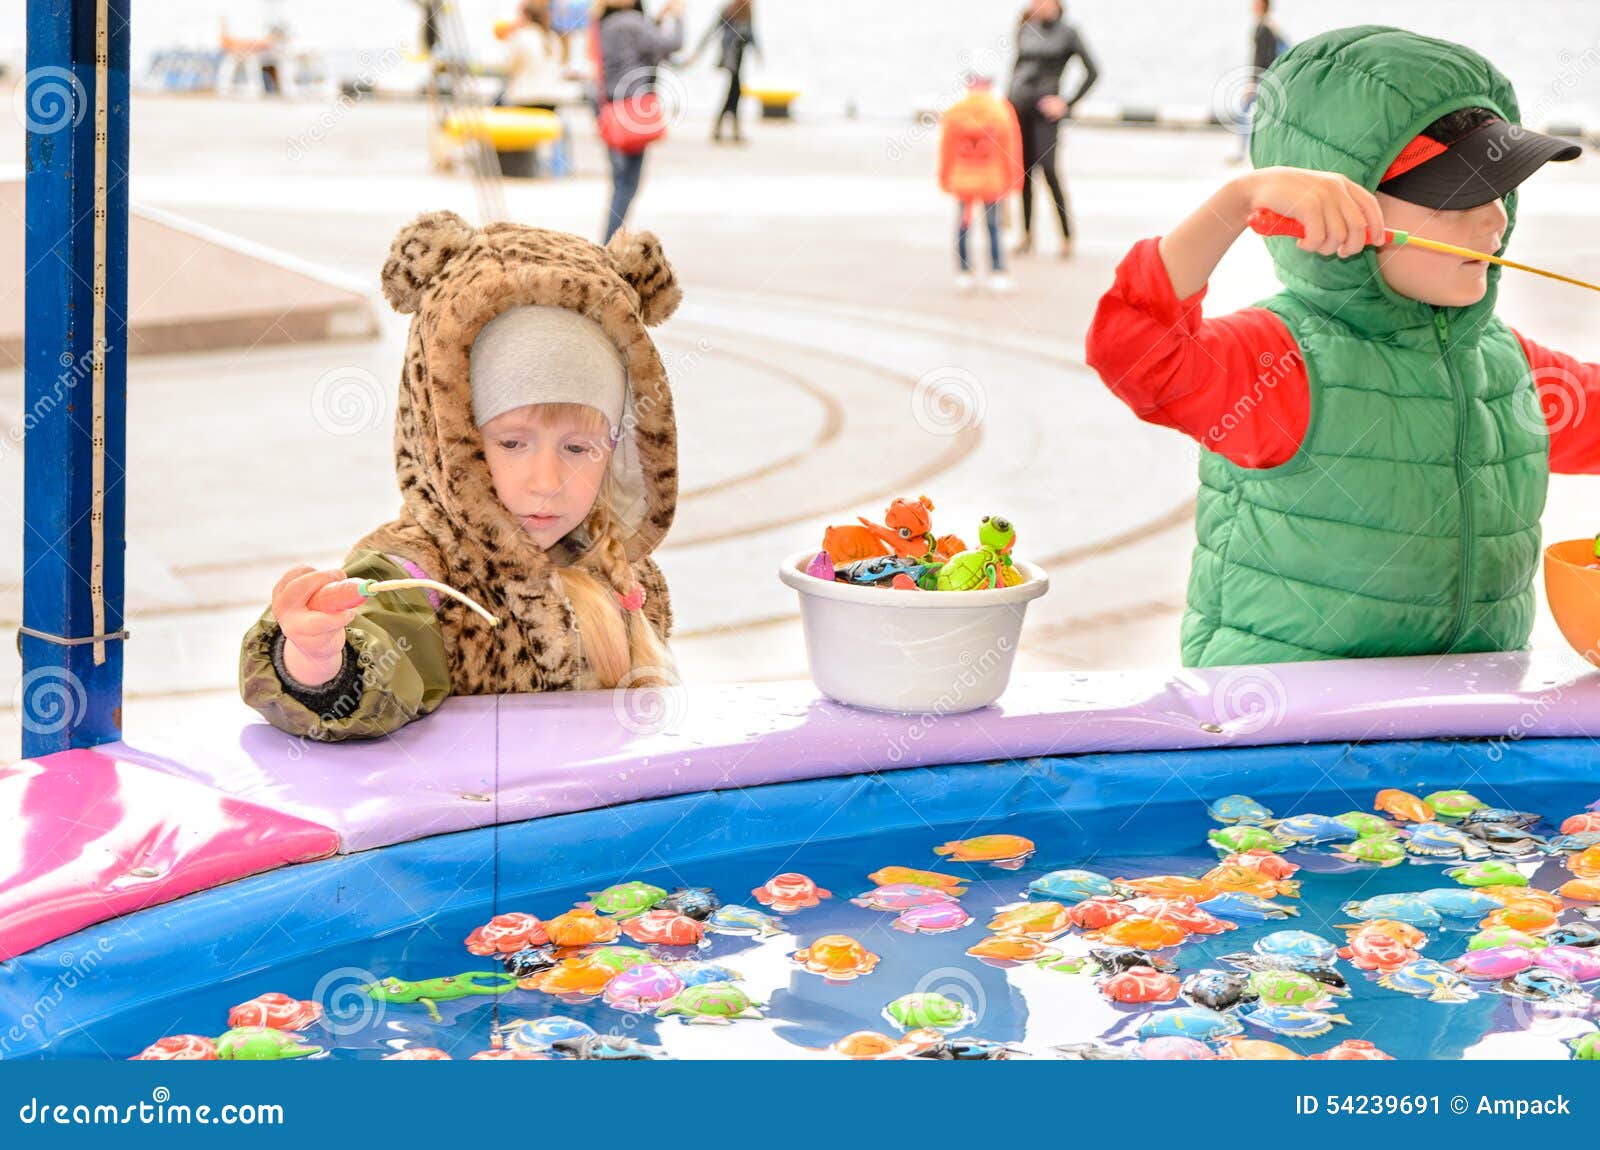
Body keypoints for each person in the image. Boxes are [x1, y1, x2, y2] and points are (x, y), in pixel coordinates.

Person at [1085, 26, 1600, 668]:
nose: (1494, 220)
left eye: (1499, 191)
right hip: (1283, 738)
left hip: (1460, 732)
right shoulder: (1284, 363)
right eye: (1454, 199)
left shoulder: (1507, 366)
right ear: (1337, 211)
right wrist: (1239, 201)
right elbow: (1136, 352)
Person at [240, 213, 684, 740]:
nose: (547, 479)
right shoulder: (422, 573)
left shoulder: (627, 578)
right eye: (512, 443)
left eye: (577, 447)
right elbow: (384, 648)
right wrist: (317, 657)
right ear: (449, 438)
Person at [1008, 0, 1098, 258]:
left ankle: (1067, 237)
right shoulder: (1026, 27)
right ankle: (1025, 236)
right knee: (1023, 173)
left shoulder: (1068, 32)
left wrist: (1067, 103)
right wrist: (1005, 106)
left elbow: (1093, 72)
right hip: (1019, 107)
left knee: (1049, 171)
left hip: (1046, 111)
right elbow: (1015, 70)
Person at [592, 0, 685, 242]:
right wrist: (679, 17)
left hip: (611, 107)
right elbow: (673, 44)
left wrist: (658, 19)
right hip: (634, 110)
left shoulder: (604, 24)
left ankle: (609, 239)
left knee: (619, 182)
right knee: (628, 184)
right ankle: (609, 242)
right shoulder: (632, 22)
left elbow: (640, 43)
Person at [938, 73, 1023, 292]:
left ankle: (964, 272)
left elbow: (946, 149)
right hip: (991, 178)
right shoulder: (1000, 111)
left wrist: (945, 177)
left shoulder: (955, 112)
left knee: (963, 225)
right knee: (994, 226)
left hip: (963, 177)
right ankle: (997, 271)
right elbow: (1010, 149)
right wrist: (1013, 179)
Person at [686, 0, 761, 143]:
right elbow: (712, 31)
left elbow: (752, 34)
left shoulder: (748, 12)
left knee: (734, 92)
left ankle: (723, 129)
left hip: (740, 56)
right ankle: (729, 129)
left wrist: (758, 53)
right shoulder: (729, 10)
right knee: (735, 91)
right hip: (730, 56)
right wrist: (698, 52)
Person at [1232, 0, 1288, 162]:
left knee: (1245, 110)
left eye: (1256, 3)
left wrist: (1253, 82)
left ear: (1262, 6)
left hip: (1264, 78)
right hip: (1272, 77)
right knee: (1268, 115)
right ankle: (1261, 152)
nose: (1253, 5)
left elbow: (1261, 57)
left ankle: (1242, 153)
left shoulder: (1263, 29)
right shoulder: (1272, 27)